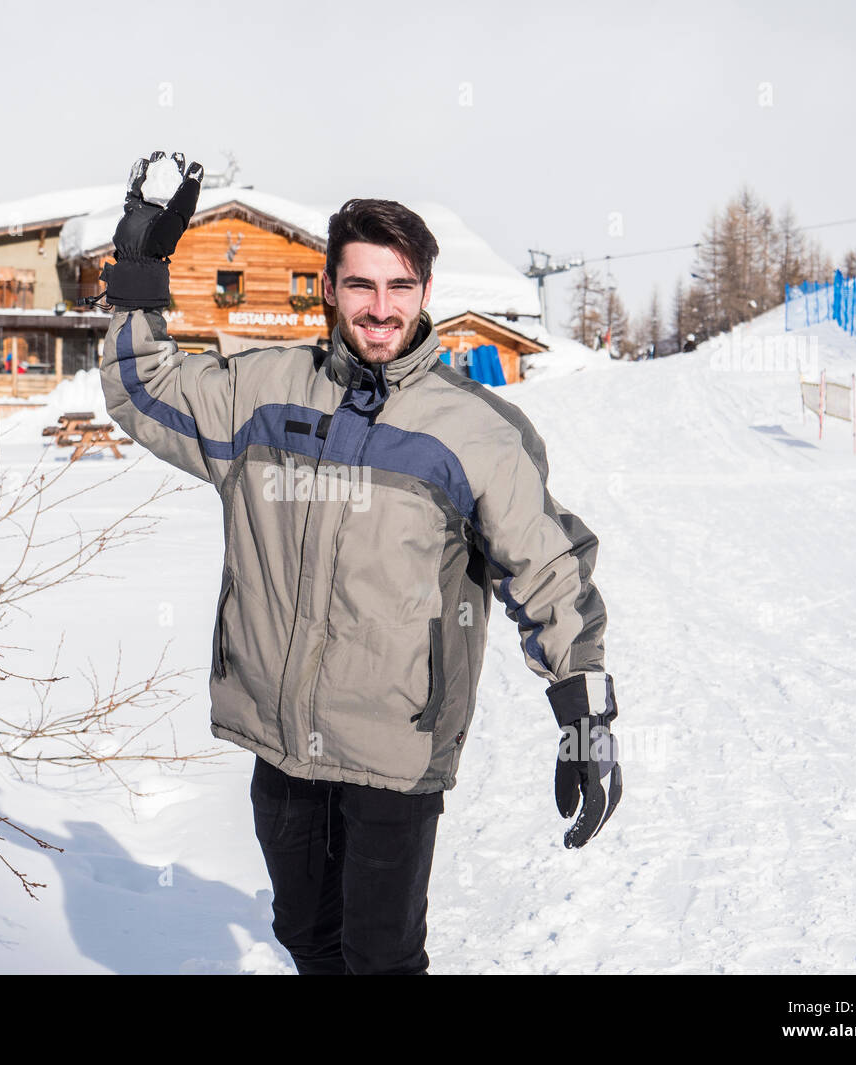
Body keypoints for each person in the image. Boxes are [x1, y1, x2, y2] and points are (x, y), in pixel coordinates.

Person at [99, 152, 622, 975]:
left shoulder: (476, 430)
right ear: (330, 288)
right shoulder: (263, 392)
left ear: (424, 293)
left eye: (400, 287)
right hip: (281, 741)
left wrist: (583, 716)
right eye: (361, 286)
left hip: (395, 751)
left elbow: (548, 568)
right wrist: (139, 274)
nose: (380, 309)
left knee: (379, 959)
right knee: (308, 938)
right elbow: (142, 387)